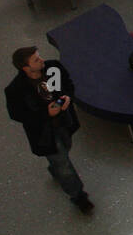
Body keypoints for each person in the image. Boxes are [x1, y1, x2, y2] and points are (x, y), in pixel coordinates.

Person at [5, 46, 93, 214]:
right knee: (64, 165)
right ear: (26, 68)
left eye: (39, 57)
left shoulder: (54, 68)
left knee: (65, 148)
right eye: (36, 60)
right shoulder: (15, 90)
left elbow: (68, 84)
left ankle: (55, 168)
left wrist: (68, 96)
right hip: (44, 132)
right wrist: (45, 113)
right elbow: (17, 114)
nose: (42, 61)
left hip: (65, 123)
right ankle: (78, 196)